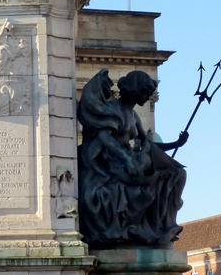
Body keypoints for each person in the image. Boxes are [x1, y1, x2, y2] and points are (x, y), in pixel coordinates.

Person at [77, 69, 188, 247]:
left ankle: (165, 226)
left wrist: (175, 144)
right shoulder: (113, 109)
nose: (147, 97)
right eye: (145, 92)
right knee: (134, 188)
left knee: (177, 173)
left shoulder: (134, 116)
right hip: (106, 164)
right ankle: (137, 230)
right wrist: (127, 159)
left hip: (127, 161)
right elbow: (105, 139)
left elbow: (148, 144)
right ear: (136, 89)